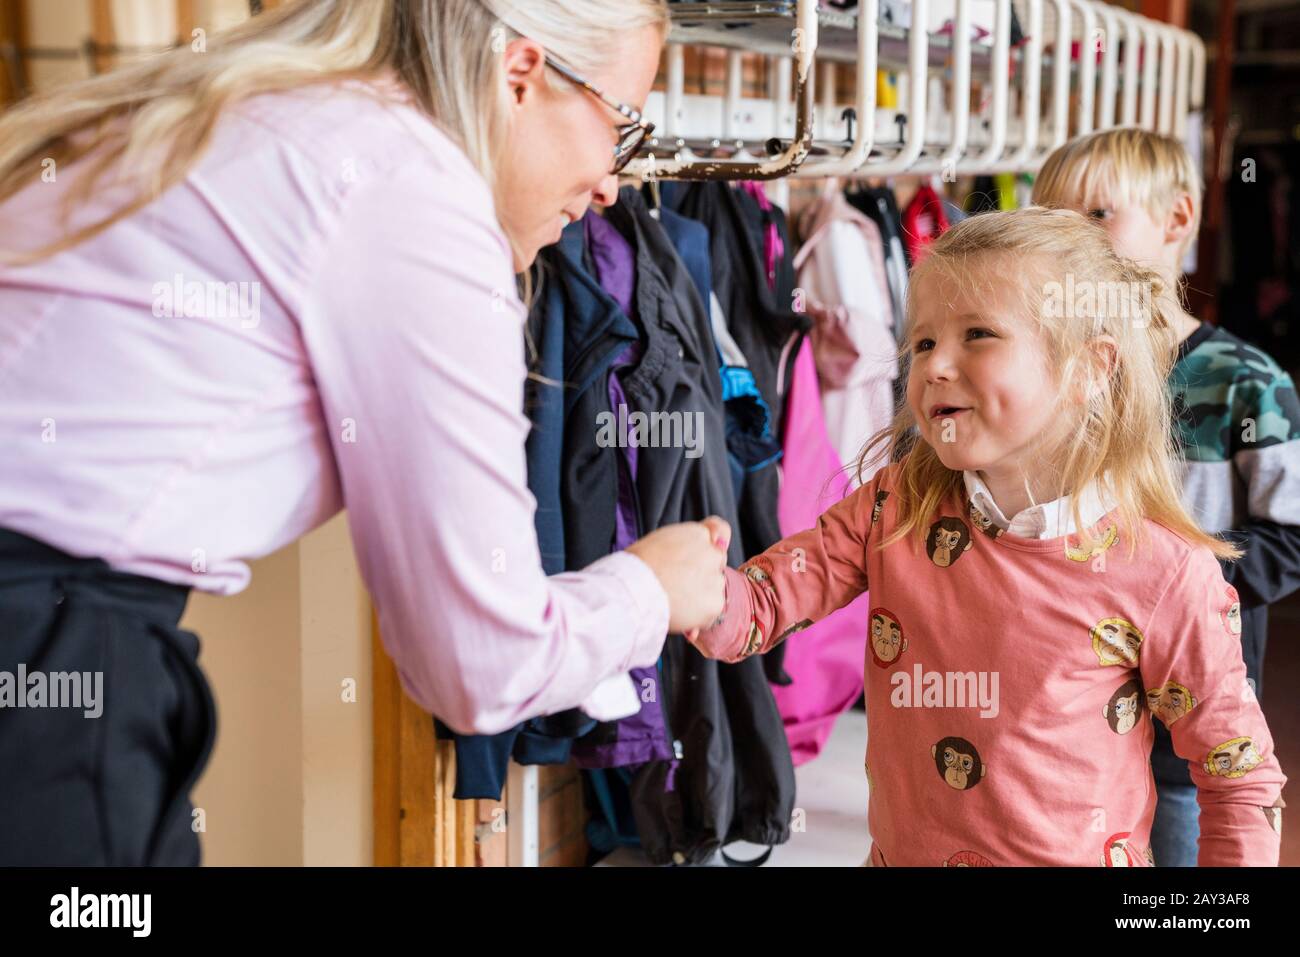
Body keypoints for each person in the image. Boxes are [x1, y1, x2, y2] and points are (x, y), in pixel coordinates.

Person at [0, 0, 729, 866]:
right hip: (46, 644)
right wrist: (651, 588)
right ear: (521, 72)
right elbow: (478, 665)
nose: (614, 183)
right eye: (623, 122)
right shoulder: (411, 193)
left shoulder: (293, 117)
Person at [687, 208, 1286, 866]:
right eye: (921, 342)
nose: (936, 364)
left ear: (1088, 369)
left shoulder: (1163, 571)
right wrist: (688, 591)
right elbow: (763, 602)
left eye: (977, 334)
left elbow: (1239, 775)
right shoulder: (894, 507)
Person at [1033, 128, 1300, 866]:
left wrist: (1172, 595)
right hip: (1070, 709)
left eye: (1096, 215)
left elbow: (1293, 536)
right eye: (1052, 220)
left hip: (1191, 712)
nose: (1072, 239)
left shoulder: (1247, 380)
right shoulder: (1046, 370)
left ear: (1177, 220)